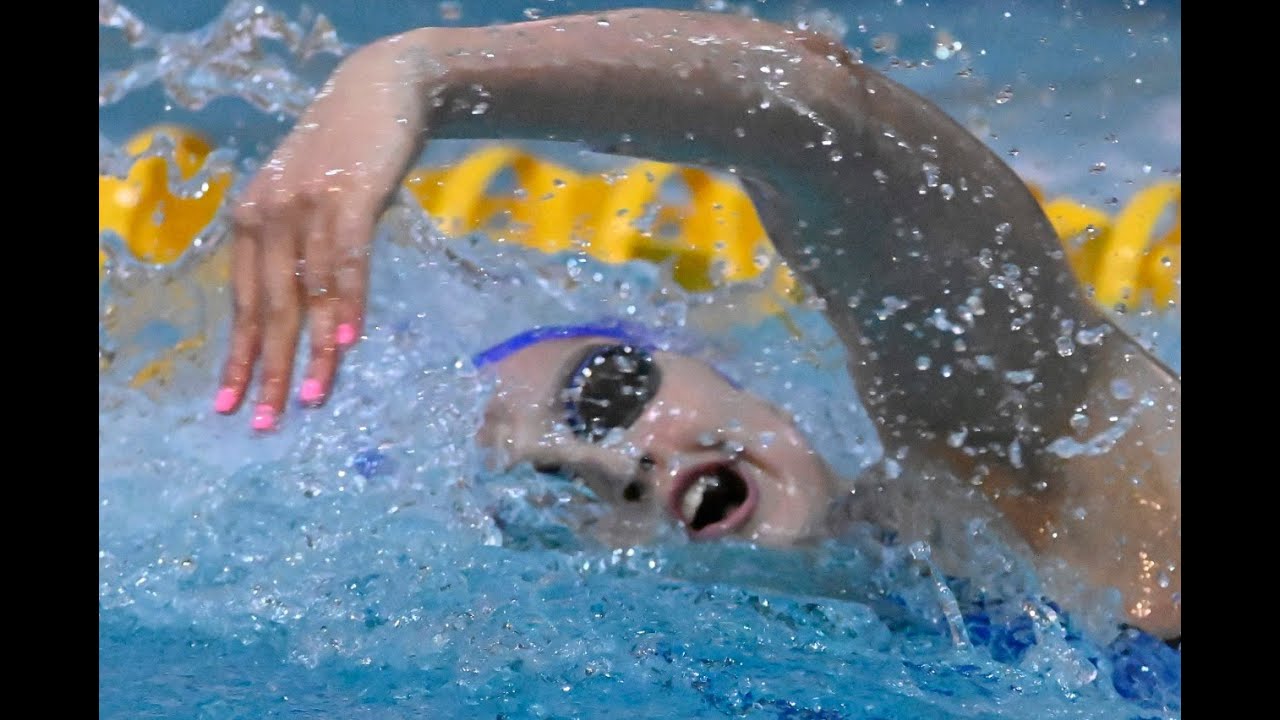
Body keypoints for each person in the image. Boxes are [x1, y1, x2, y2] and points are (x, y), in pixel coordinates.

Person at [213, 9, 1180, 640]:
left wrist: (416, 73)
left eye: (605, 395)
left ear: (715, 366)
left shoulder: (1027, 481)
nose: (618, 463)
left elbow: (817, 114)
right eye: (551, 497)